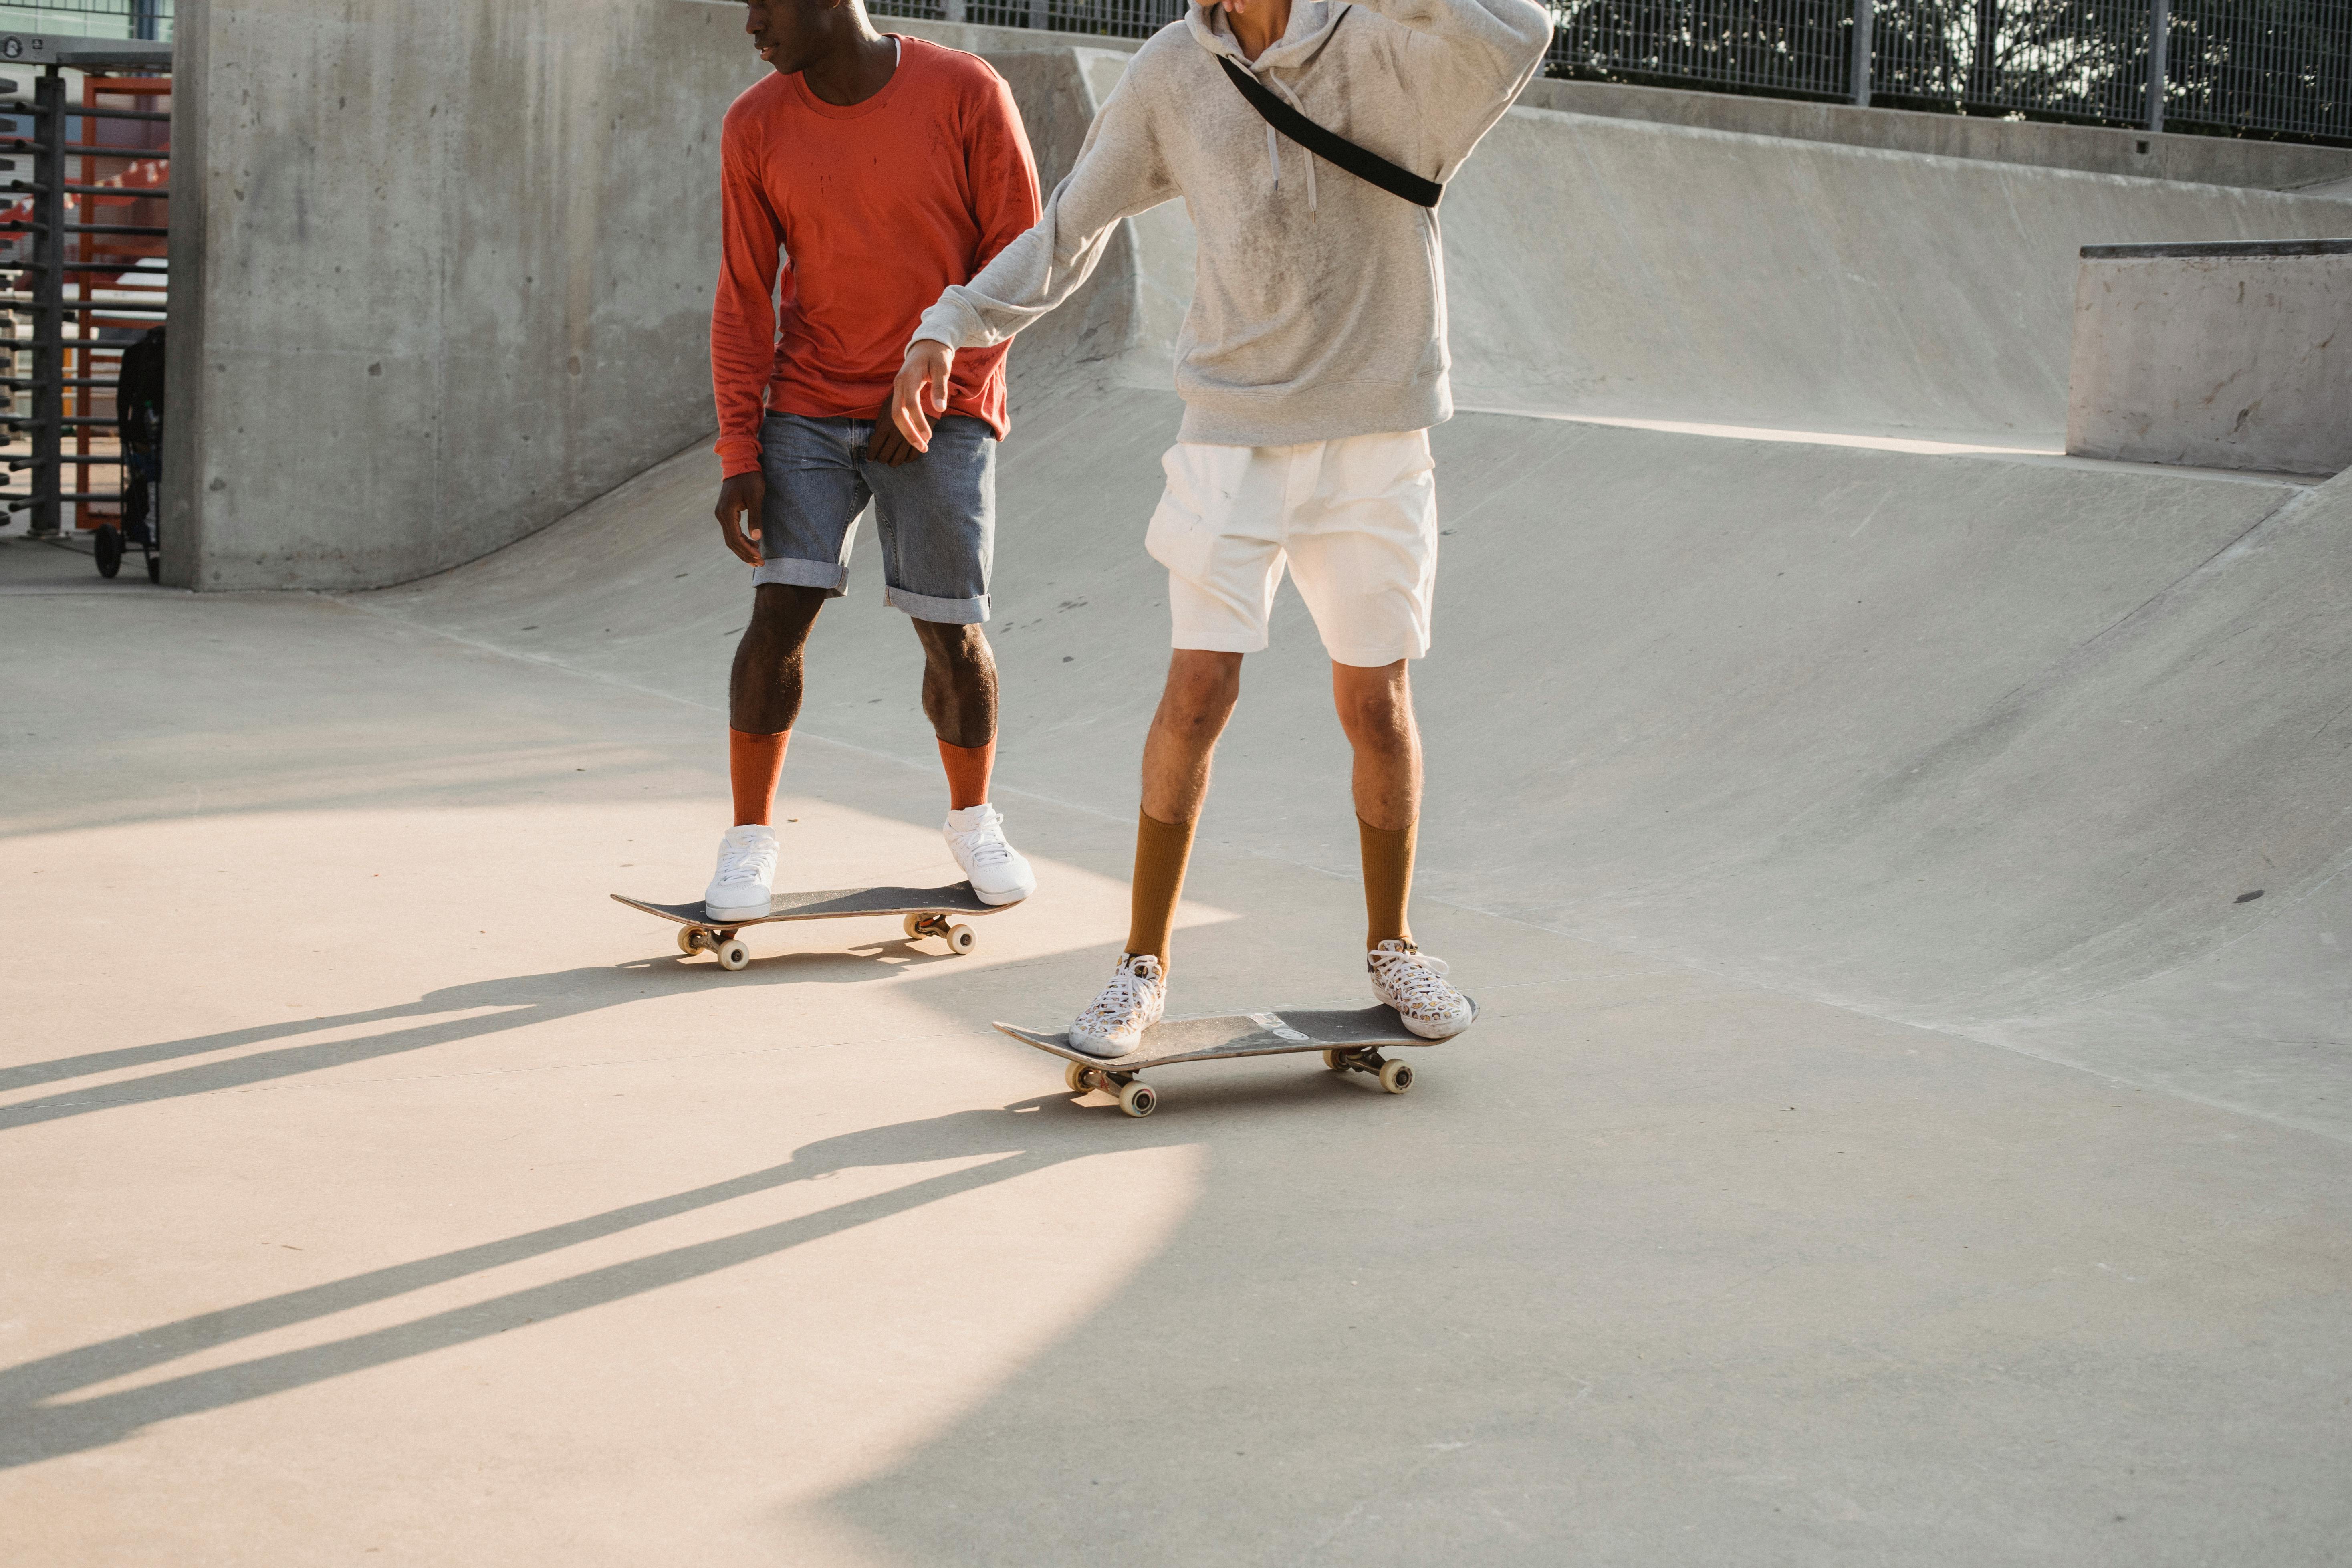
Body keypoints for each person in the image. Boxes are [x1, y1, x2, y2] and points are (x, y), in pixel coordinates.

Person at [891, 0, 1549, 1053]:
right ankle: (1138, 968)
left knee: (1374, 700)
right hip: (1228, 439)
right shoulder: (1170, 74)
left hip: (1374, 438)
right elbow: (1068, 232)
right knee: (1197, 688)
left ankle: (1394, 946)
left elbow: (1519, 30)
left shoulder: (1388, 45)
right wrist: (952, 323)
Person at [702, 0, 1044, 922]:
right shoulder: (755, 123)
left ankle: (974, 823)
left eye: (765, 5)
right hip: (807, 409)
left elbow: (1021, 260)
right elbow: (744, 295)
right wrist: (741, 446)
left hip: (944, 409)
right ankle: (747, 842)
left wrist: (937, 388)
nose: (751, 25)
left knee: (949, 630)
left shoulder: (966, 92)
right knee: (779, 612)